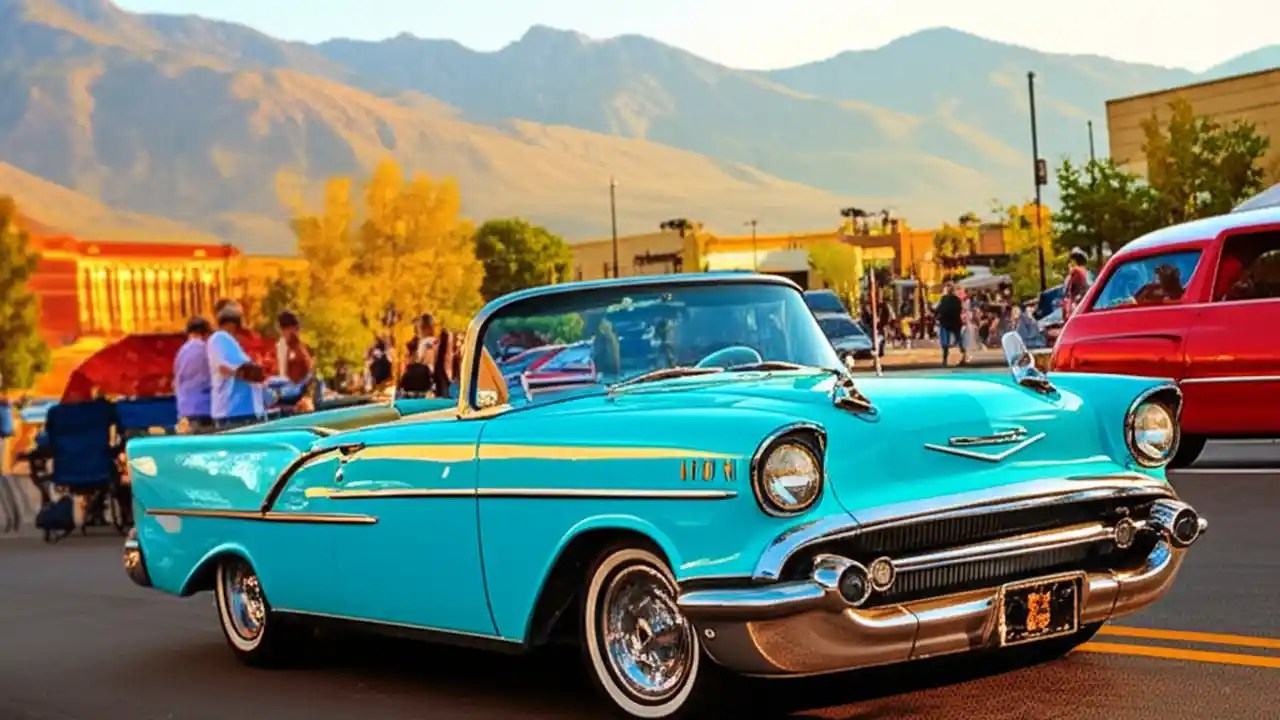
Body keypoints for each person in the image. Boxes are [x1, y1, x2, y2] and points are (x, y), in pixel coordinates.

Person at [207, 301, 267, 430]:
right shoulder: (220, 338)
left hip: (240, 413)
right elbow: (227, 367)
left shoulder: (229, 341)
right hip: (235, 414)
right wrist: (255, 374)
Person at [173, 316, 214, 433]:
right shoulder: (206, 349)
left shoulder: (181, 352)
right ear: (205, 333)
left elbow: (177, 382)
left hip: (184, 412)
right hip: (203, 410)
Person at [275, 311, 316, 412]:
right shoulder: (279, 348)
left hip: (299, 395)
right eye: (288, 329)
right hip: (285, 396)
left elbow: (309, 374)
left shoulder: (302, 348)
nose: (294, 332)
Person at [934, 283, 965, 367]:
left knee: (945, 343)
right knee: (958, 340)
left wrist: (937, 316)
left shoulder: (944, 299)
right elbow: (959, 310)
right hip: (955, 322)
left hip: (946, 322)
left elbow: (940, 309)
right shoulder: (957, 300)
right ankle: (963, 357)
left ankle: (945, 361)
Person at [1062, 248, 1091, 318]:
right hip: (1085, 305)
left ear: (1074, 261)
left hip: (1076, 307)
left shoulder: (1076, 272)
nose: (1069, 263)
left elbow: (1069, 291)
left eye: (1071, 261)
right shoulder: (1088, 273)